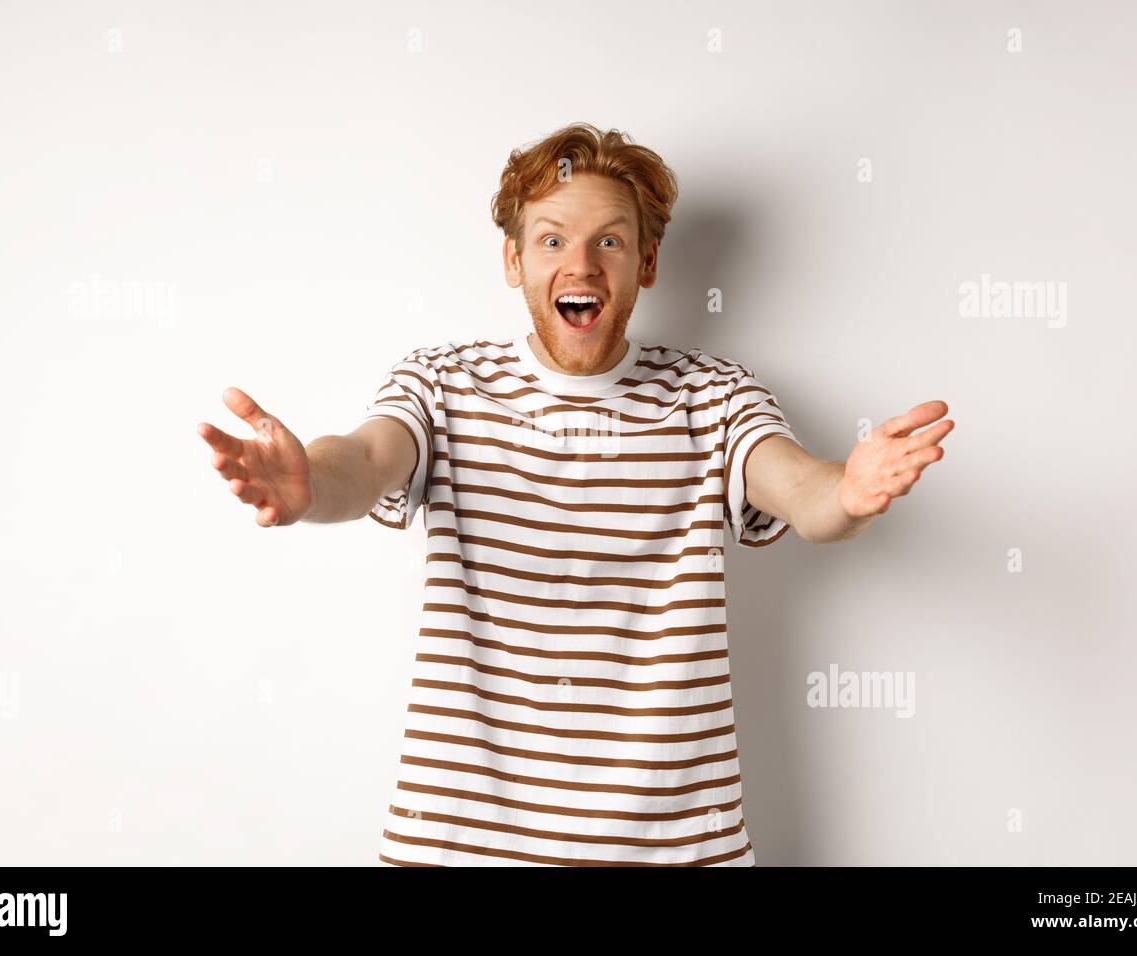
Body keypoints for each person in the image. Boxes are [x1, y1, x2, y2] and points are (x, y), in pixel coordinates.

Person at [196, 123, 954, 866]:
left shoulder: (714, 396)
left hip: (673, 849)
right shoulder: (443, 383)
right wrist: (309, 486)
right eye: (553, 239)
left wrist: (849, 493)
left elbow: (800, 490)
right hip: (459, 846)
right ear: (513, 259)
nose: (580, 265)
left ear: (647, 261)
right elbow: (364, 461)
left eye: (609, 241)